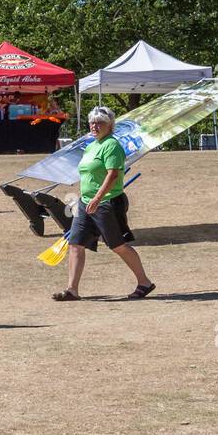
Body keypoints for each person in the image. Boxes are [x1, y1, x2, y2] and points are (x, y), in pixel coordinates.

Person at [53, 106, 156, 302]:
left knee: (118, 246)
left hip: (107, 202)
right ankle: (72, 290)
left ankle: (144, 282)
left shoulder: (112, 146)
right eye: (92, 122)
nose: (94, 126)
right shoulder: (92, 146)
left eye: (99, 122)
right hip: (86, 202)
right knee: (75, 244)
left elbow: (113, 174)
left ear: (110, 126)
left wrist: (98, 198)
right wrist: (85, 198)